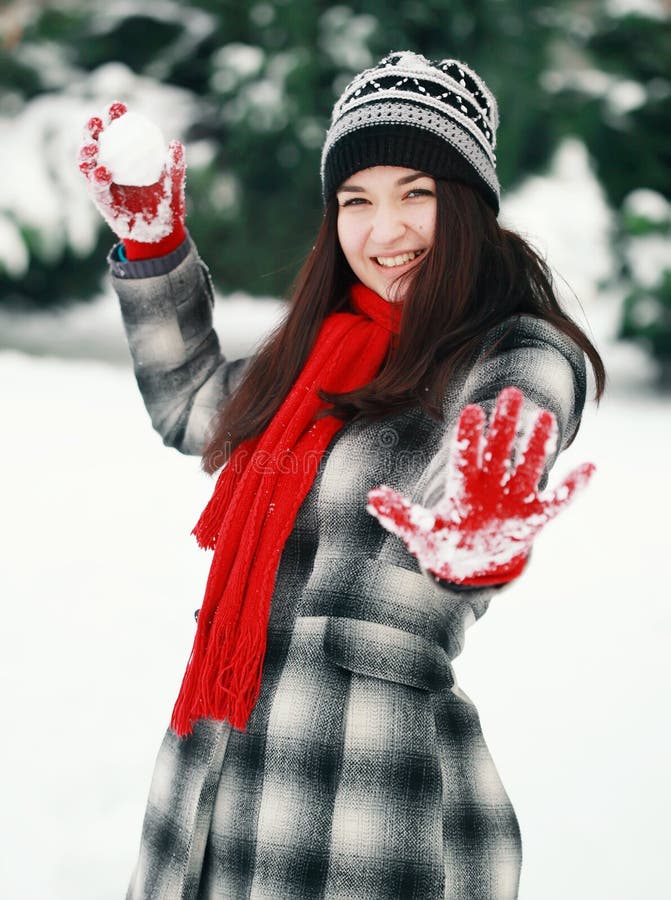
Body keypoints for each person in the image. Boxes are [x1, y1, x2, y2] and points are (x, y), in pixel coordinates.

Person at [79, 51, 604, 900]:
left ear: (466, 204)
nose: (383, 229)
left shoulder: (507, 352)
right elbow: (193, 404)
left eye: (415, 193)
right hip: (217, 766)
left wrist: (477, 524)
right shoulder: (316, 360)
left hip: (360, 789)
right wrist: (154, 245)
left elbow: (513, 422)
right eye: (356, 200)